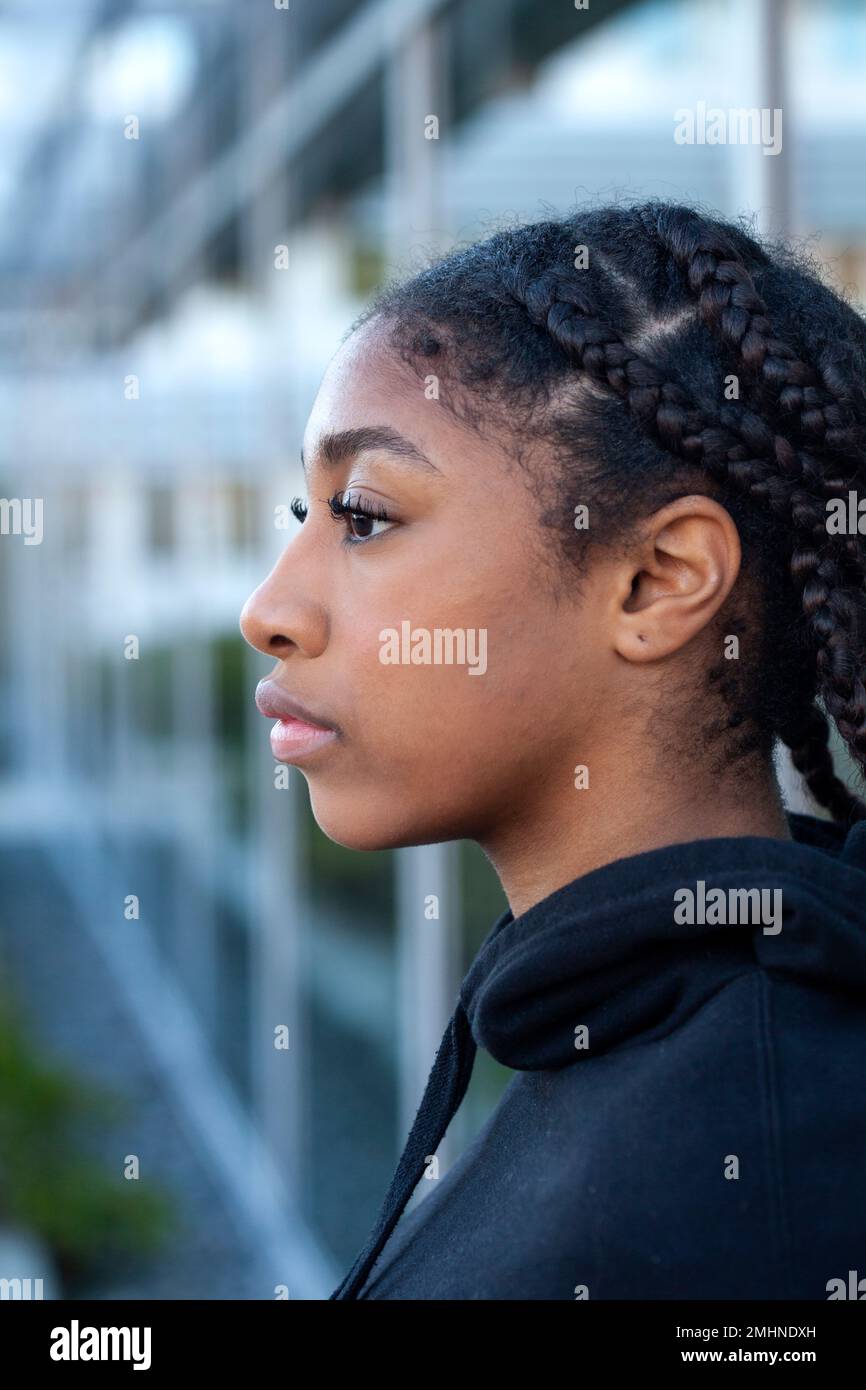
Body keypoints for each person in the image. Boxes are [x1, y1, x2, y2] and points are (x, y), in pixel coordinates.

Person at [239, 200, 866, 1300]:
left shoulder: (744, 1202)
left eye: (367, 516)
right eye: (307, 509)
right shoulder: (616, 1031)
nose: (270, 609)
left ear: (656, 581)